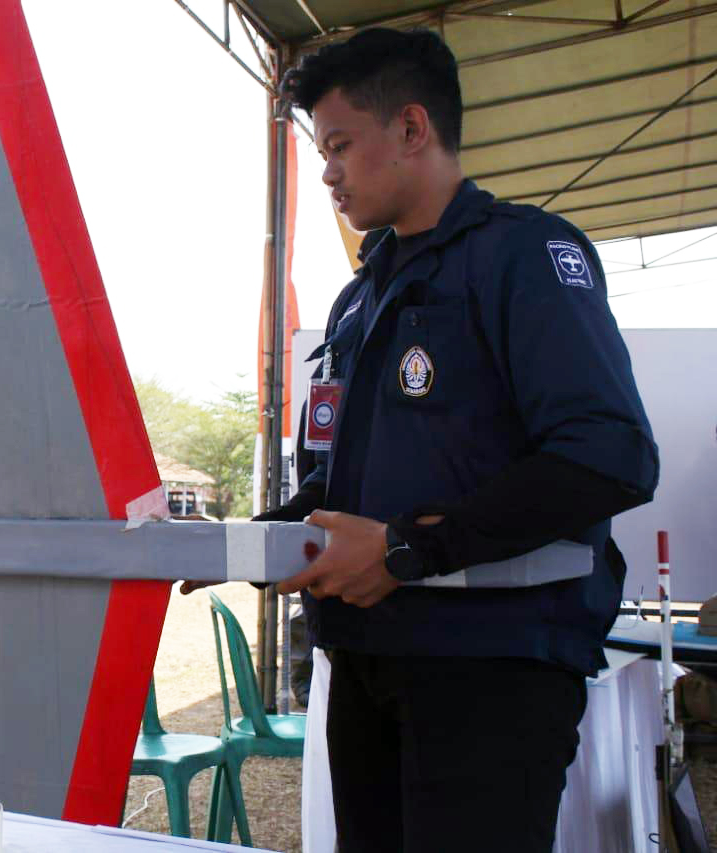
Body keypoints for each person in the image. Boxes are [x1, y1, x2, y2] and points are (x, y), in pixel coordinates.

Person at [264, 28, 657, 852]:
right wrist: (264, 538)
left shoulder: (523, 256)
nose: (328, 172)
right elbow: (344, 485)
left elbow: (610, 454)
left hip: (490, 673)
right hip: (367, 665)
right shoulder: (358, 300)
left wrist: (406, 550)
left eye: (339, 145)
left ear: (411, 129)